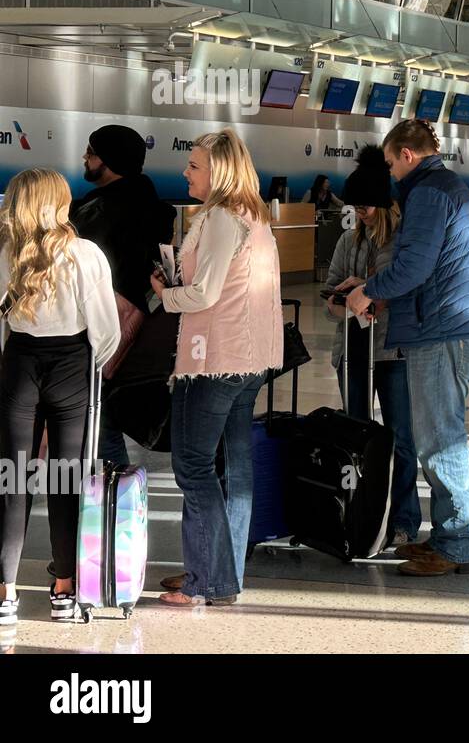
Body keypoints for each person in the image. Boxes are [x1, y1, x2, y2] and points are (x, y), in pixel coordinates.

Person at [343, 119, 469, 575]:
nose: (390, 172)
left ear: (407, 155)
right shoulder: (445, 187)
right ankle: (450, 535)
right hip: (452, 324)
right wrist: (375, 288)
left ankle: (460, 544)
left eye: (391, 163)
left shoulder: (428, 193)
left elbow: (414, 265)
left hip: (442, 329)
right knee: (438, 435)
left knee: (440, 441)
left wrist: (369, 291)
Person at [151, 129, 282, 606]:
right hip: (248, 359)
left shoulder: (222, 217)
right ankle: (218, 571)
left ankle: (207, 579)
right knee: (233, 464)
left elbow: (205, 294)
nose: (186, 171)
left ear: (219, 171)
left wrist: (166, 293)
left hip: (216, 358)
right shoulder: (257, 215)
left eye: (194, 165)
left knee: (193, 465)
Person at [0, 169, 120, 627]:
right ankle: (64, 591)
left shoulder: (9, 253)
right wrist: (90, 364)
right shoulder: (83, 254)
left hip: (20, 363)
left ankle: (4, 592)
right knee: (67, 477)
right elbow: (105, 330)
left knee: (11, 479)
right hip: (73, 364)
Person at [322, 145, 420, 549]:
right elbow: (329, 295)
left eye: (367, 204)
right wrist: (342, 300)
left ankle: (404, 520)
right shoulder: (348, 241)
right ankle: (359, 515)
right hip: (352, 352)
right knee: (356, 439)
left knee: (400, 438)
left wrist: (374, 298)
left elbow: (406, 293)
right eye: (355, 204)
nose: (359, 211)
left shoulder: (402, 244)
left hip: (393, 353)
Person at [68, 123, 176, 468]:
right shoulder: (149, 206)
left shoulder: (102, 211)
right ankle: (119, 499)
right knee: (106, 413)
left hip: (100, 326)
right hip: (137, 330)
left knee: (96, 417)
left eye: (92, 152)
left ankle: (111, 498)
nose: (85, 157)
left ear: (110, 159)